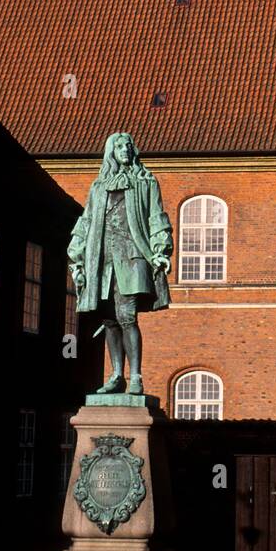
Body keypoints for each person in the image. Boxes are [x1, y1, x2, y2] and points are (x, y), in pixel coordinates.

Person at [68, 131, 173, 395]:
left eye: (128, 145)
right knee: (109, 319)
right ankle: (116, 375)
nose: (125, 149)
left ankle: (135, 376)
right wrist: (77, 254)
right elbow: (87, 221)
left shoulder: (145, 182)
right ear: (111, 152)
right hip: (102, 260)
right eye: (119, 146)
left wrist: (160, 249)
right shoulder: (99, 186)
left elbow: (156, 217)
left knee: (127, 316)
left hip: (133, 255)